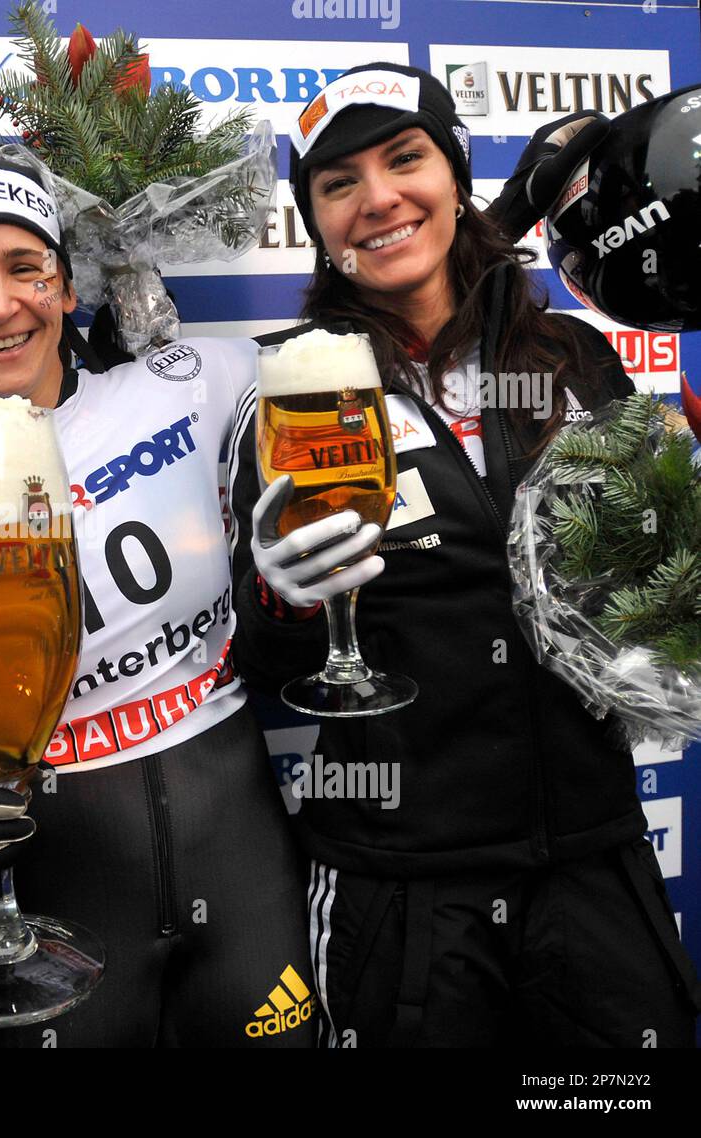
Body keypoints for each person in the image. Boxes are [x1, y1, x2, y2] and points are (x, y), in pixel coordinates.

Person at [227, 63, 701, 1047]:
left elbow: (651, 590)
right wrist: (284, 602)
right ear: (314, 222)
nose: (378, 198)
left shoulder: (574, 359)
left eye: (405, 159)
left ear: (453, 175)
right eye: (338, 182)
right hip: (402, 892)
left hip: (591, 859)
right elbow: (270, 664)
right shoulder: (294, 390)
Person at [0, 157, 314, 1048]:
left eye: (28, 268)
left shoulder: (192, 383)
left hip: (245, 868)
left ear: (66, 289)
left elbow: (365, 393)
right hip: (54, 915)